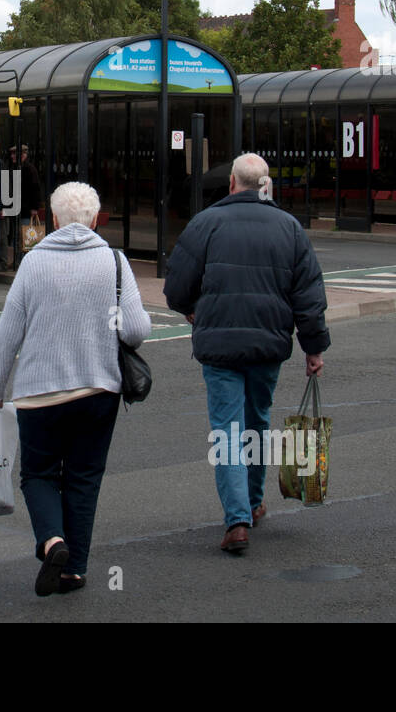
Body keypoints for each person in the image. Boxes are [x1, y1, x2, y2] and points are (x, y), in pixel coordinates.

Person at [0, 181, 150, 595]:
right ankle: (73, 569)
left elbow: (8, 334)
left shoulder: (33, 263)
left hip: (40, 394)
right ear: (95, 219)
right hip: (98, 390)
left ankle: (52, 540)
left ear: (53, 219)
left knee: (37, 474)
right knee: (84, 478)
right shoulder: (113, 262)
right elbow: (137, 328)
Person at [163, 153, 329, 555]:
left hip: (219, 347)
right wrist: (313, 347)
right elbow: (308, 295)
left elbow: (176, 284)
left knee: (227, 430)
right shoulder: (289, 227)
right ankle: (254, 503)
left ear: (233, 183)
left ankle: (236, 519)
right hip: (268, 344)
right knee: (257, 421)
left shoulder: (205, 222)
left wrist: (191, 309)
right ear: (265, 185)